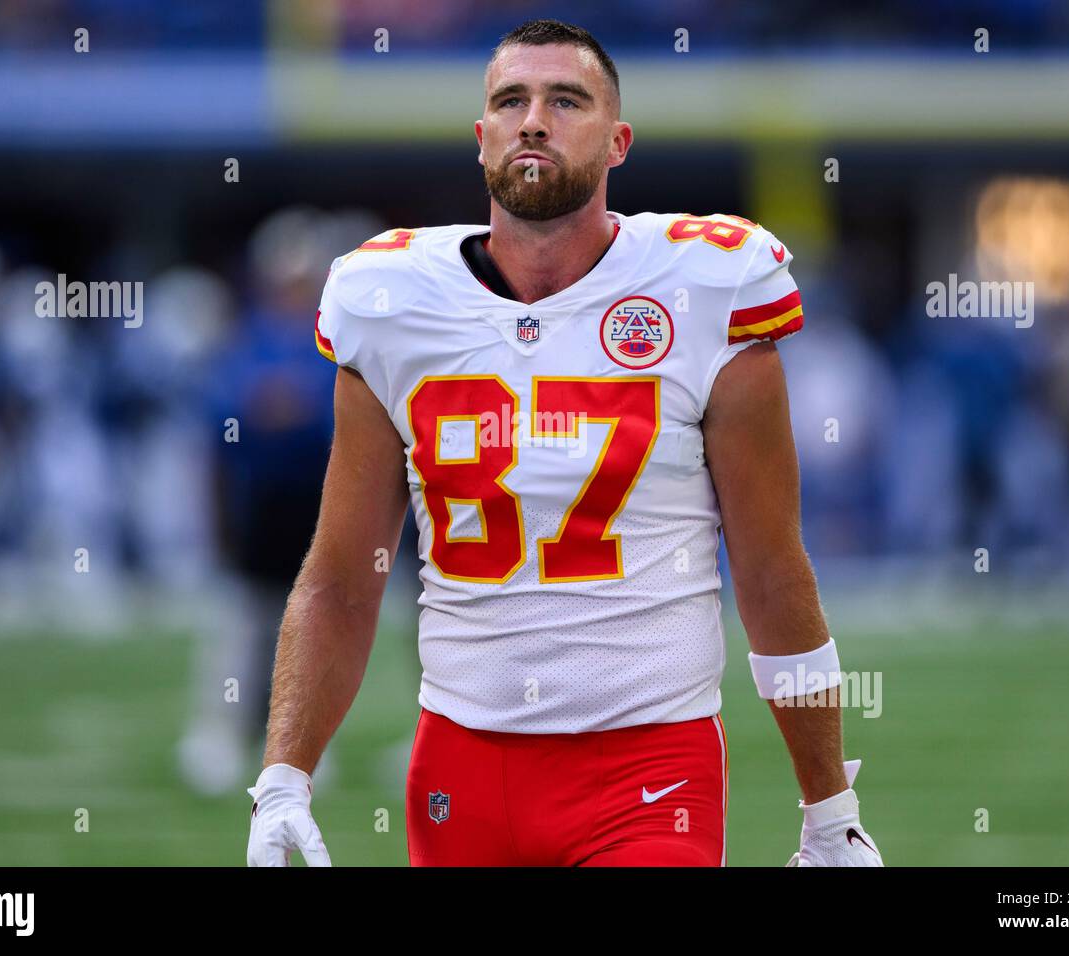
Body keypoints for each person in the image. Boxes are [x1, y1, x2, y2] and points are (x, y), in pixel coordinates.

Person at [247, 19, 882, 867]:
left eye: (565, 100)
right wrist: (284, 775)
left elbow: (770, 571)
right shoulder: (392, 300)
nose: (533, 120)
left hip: (650, 767)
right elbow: (338, 581)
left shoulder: (705, 289)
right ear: (482, 142)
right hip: (461, 769)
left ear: (617, 142)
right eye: (511, 101)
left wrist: (828, 806)